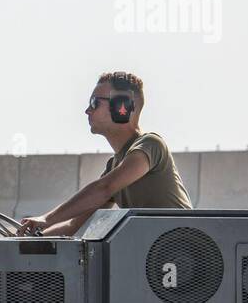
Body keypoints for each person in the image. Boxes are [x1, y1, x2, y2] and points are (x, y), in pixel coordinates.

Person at [18, 71, 191, 237]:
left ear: (121, 106)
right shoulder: (114, 166)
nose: (87, 110)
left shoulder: (151, 144)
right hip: (160, 252)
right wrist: (26, 241)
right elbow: (73, 225)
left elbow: (104, 188)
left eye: (94, 103)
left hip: (188, 250)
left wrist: (45, 219)